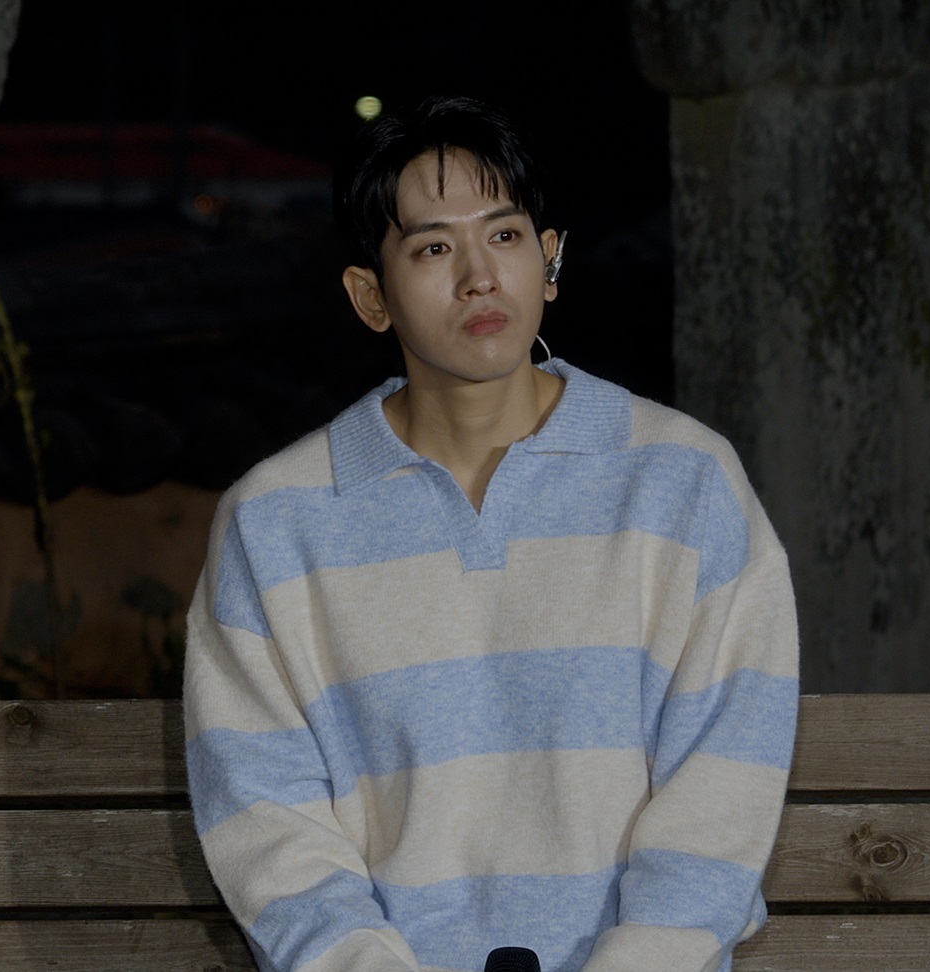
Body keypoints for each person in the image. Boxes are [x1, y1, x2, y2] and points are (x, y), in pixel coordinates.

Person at [182, 96, 799, 972]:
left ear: (550, 262)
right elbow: (269, 824)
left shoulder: (685, 483)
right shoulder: (274, 522)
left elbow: (720, 801)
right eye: (434, 248)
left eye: (504, 236)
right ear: (370, 297)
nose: (479, 276)